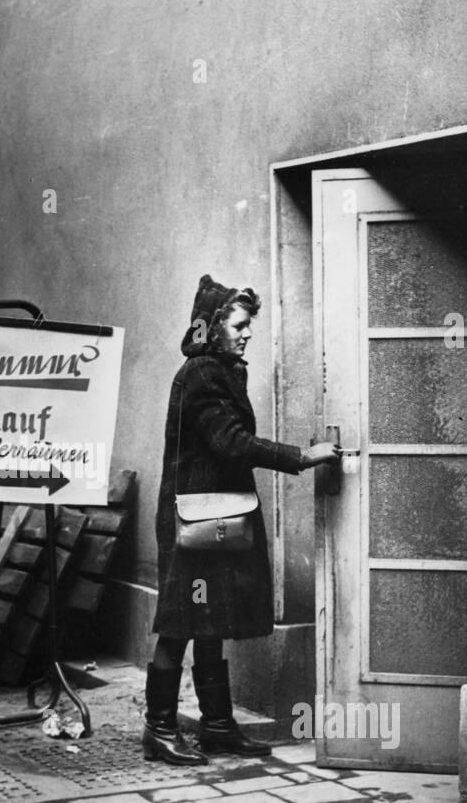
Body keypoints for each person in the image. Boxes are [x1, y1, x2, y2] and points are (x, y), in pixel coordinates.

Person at [145, 274, 339, 765]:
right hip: (194, 520)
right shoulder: (203, 373)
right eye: (239, 324)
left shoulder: (219, 369)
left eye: (249, 323)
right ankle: (159, 729)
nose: (248, 332)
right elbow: (230, 443)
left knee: (207, 620)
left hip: (212, 516)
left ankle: (217, 727)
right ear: (212, 326)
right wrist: (302, 456)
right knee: (179, 625)